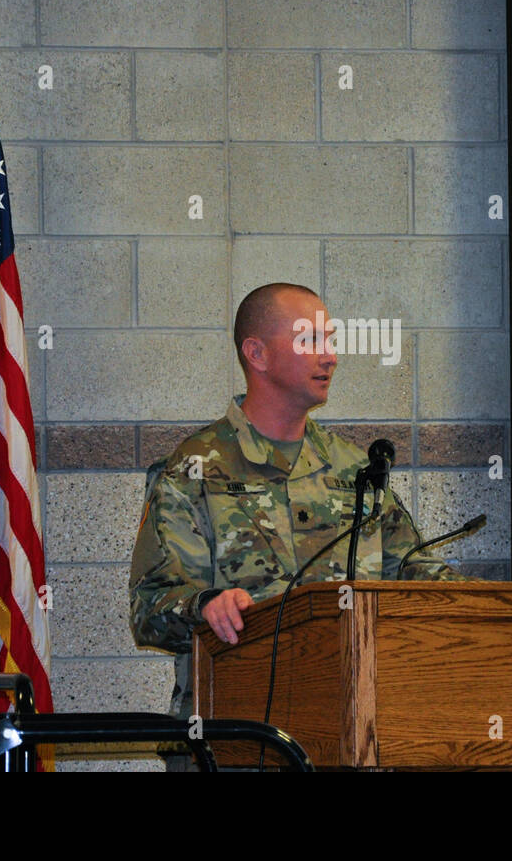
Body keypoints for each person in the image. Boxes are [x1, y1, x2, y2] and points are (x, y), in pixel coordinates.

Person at [129, 282, 463, 719]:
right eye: (310, 339)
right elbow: (149, 608)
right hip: (234, 738)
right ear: (257, 354)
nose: (330, 356)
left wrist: (492, 607)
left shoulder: (354, 470)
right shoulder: (195, 470)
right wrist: (207, 605)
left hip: (346, 727)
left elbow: (414, 571)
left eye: (331, 340)